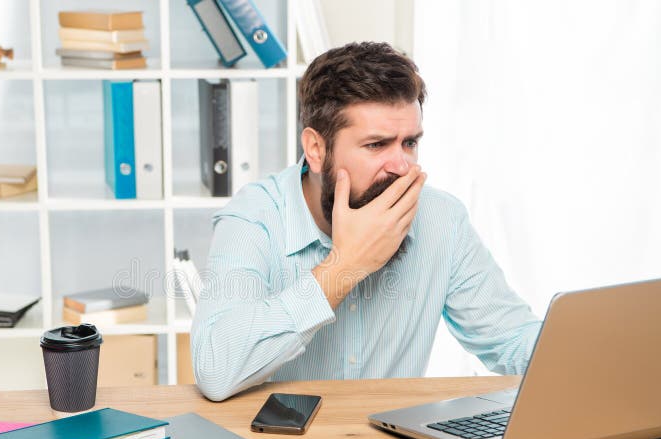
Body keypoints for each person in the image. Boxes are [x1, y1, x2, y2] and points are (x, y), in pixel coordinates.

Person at [191, 42, 541, 402]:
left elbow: (511, 339)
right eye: (377, 145)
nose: (402, 166)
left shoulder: (441, 218)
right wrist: (345, 266)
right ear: (316, 149)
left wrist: (587, 349)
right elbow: (216, 371)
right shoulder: (254, 218)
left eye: (410, 143)